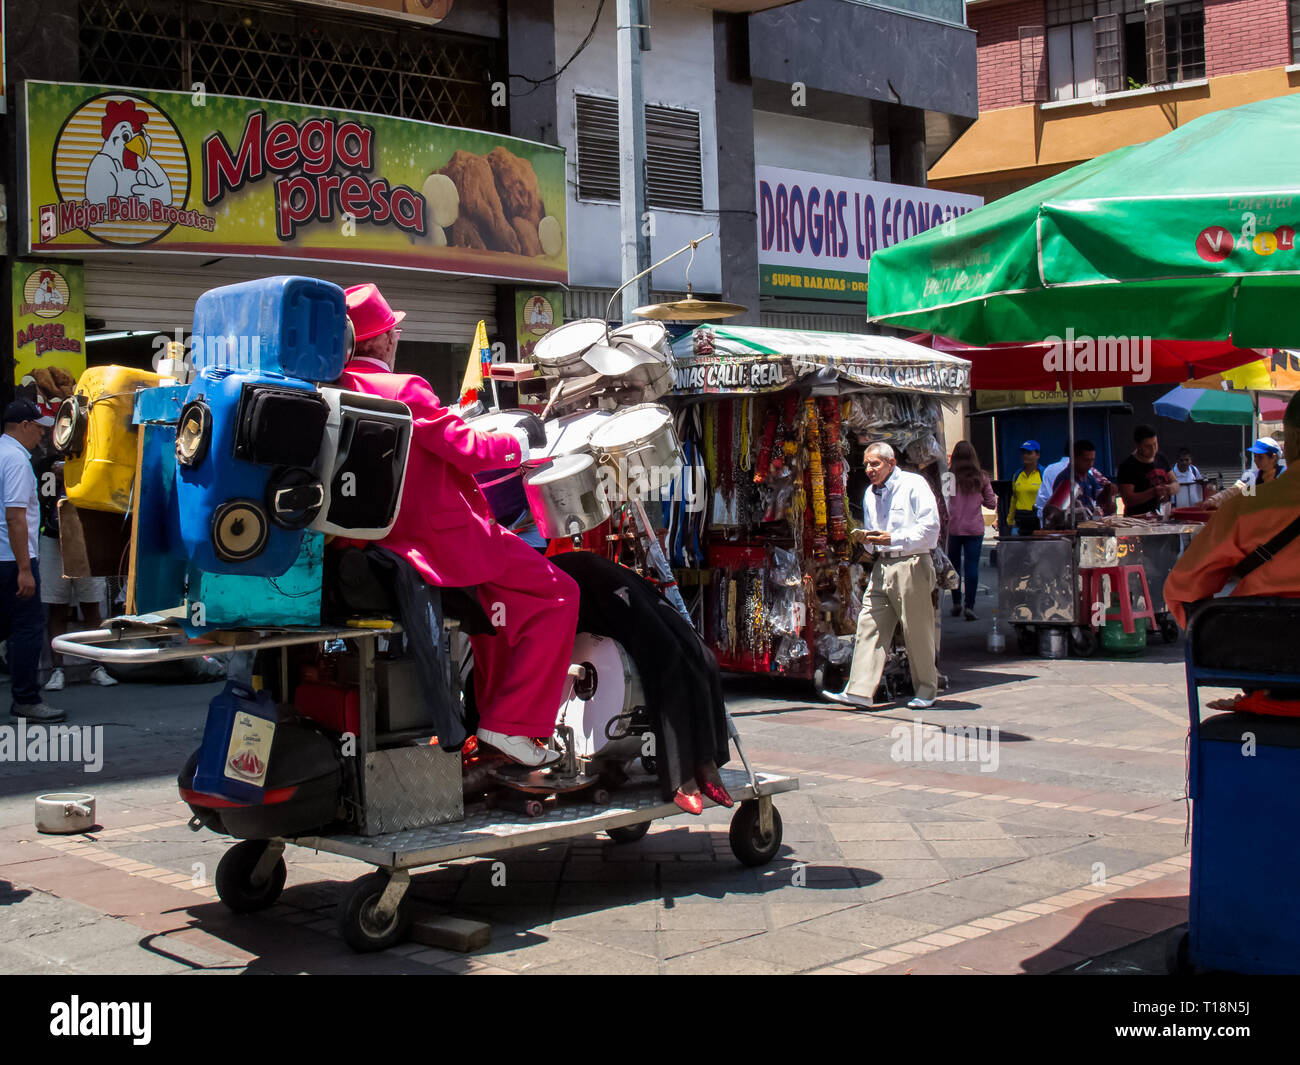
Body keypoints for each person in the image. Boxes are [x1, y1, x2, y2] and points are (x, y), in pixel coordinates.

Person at [339, 284, 579, 767]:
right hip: (439, 543)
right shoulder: (404, 389)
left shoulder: (337, 387)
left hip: (377, 545)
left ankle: (490, 723)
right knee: (559, 594)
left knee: (495, 615)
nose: (397, 338)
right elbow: (467, 451)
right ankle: (512, 725)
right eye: (395, 330)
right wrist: (518, 443)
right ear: (383, 339)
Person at [550, 551, 732, 815]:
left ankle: (705, 759)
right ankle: (680, 771)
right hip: (560, 573)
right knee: (665, 650)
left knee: (701, 653)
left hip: (579, 568)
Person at [1164, 395, 1300, 713]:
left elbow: (1181, 592)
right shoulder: (1247, 487)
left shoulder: (1245, 509)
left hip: (1266, 680)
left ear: (1290, 438)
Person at [822, 441, 940, 711]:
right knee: (869, 624)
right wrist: (867, 539)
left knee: (916, 629)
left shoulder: (914, 484)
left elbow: (931, 529)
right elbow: (875, 537)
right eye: (866, 464)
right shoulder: (869, 493)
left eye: (875, 463)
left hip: (912, 562)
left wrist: (893, 538)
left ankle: (927, 689)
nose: (869, 469)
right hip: (882, 564)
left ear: (891, 463)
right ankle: (860, 690)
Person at [33, 442, 117, 691]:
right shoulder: (46, 465)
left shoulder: (94, 460)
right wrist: (58, 475)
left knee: (91, 605)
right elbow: (42, 496)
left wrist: (72, 472)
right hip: (53, 537)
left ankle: (95, 665)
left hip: (87, 538)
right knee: (57, 607)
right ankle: (57, 669)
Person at [1, 400, 63, 722]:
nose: (41, 434)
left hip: (5, 557)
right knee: (27, 628)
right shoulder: (15, 459)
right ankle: (26, 699)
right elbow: (15, 518)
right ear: (23, 425)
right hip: (13, 559)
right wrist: (25, 569)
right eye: (38, 427)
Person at [946, 441, 996, 621]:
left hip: (953, 528)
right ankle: (970, 605)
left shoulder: (948, 477)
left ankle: (956, 602)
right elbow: (991, 503)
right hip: (974, 529)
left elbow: (943, 504)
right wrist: (978, 497)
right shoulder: (981, 477)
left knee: (953, 567)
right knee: (971, 566)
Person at [1035, 439, 1116, 525]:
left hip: (1088, 529)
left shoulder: (1089, 477)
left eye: (1092, 460)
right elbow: (1058, 514)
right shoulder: (1066, 478)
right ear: (1074, 458)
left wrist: (1107, 493)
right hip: (1071, 531)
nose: (1090, 464)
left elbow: (1100, 500)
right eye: (1086, 460)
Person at [1204, 436, 1286, 510]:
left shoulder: (1286, 476)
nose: (1255, 460)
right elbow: (1234, 491)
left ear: (1274, 458)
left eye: (1260, 457)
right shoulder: (1252, 478)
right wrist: (1214, 500)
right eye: (1255, 456)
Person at [1117, 424, 1176, 517]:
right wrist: (1153, 492)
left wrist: (1170, 488)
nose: (1153, 449)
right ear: (1137, 445)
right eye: (1148, 446)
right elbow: (1128, 500)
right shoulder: (1127, 466)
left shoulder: (1161, 458)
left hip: (1162, 516)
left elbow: (1176, 483)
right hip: (1138, 520)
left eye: (1155, 444)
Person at [1010, 440, 1042, 535]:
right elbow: (1014, 498)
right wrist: (1010, 520)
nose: (1025, 455)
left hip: (1037, 520)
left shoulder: (1043, 474)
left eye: (1029, 453)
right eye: (1023, 453)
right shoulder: (1017, 475)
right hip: (1020, 520)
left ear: (1037, 455)